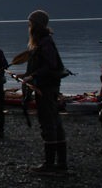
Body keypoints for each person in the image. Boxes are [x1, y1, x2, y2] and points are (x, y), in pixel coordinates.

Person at [20, 10, 68, 175]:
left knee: (49, 123)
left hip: (47, 89)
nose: (29, 26)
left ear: (36, 25)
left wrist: (33, 76)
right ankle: (61, 163)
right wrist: (26, 76)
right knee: (55, 122)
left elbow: (50, 65)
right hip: (47, 87)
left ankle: (51, 164)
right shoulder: (42, 41)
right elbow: (41, 65)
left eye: (30, 23)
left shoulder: (45, 42)